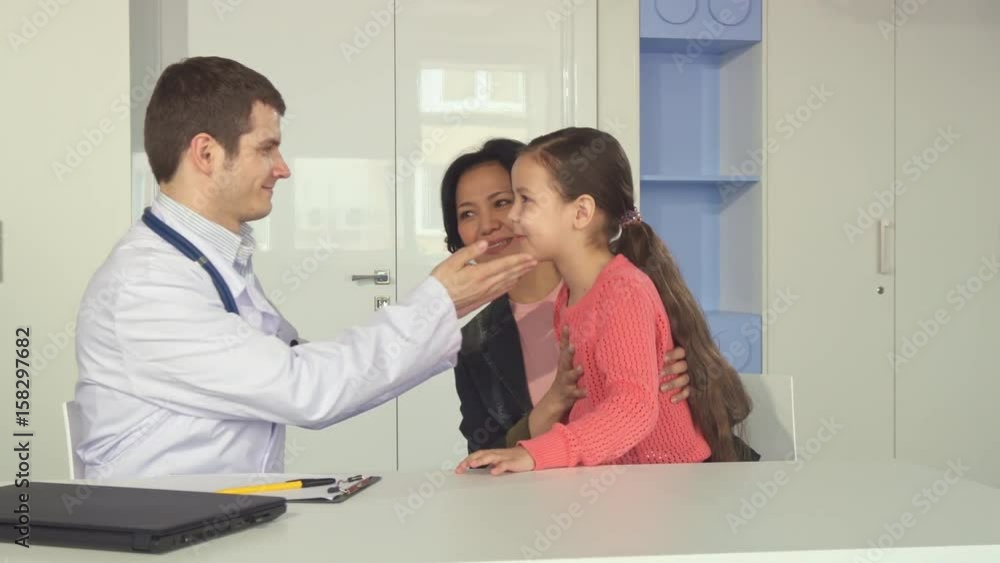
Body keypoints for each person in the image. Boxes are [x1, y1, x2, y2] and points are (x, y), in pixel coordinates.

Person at [72, 56, 536, 480]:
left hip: (213, 512)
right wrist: (439, 301)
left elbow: (304, 368)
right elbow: (305, 388)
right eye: (267, 148)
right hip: (167, 526)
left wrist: (440, 309)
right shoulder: (145, 287)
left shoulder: (209, 261)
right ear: (207, 154)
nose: (283, 168)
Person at [455, 127, 754, 475]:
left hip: (667, 484)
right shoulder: (570, 296)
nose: (510, 218)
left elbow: (632, 409)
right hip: (615, 480)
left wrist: (538, 454)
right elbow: (591, 404)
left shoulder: (622, 291)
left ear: (581, 213)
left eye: (523, 200)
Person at [440, 139, 693, 455]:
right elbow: (486, 457)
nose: (490, 225)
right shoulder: (473, 343)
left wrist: (695, 375)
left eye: (505, 202)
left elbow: (685, 404)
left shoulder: (619, 288)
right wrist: (549, 409)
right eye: (467, 213)